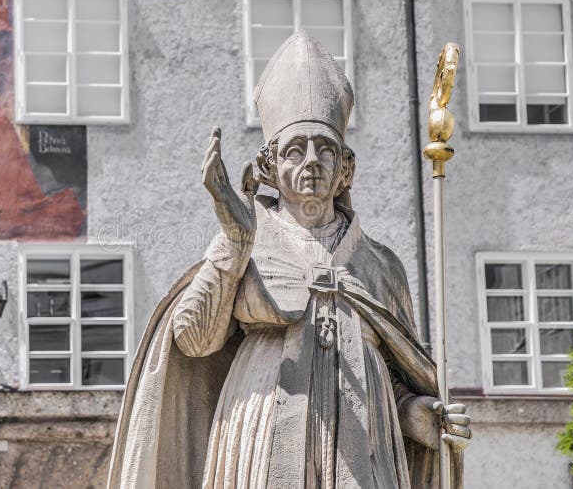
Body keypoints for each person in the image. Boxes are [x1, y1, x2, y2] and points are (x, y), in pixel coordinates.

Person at [108, 31, 470, 489]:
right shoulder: (245, 241)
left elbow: (402, 377)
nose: (312, 162)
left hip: (366, 442)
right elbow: (194, 339)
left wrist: (416, 414)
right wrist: (236, 239)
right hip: (260, 431)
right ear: (271, 166)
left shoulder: (381, 265)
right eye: (295, 150)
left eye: (326, 150)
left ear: (345, 170)